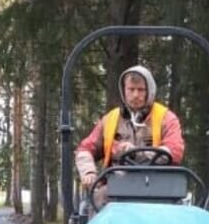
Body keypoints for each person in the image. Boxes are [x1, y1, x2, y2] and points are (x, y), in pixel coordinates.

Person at [75, 65, 185, 211]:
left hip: (158, 187)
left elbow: (175, 150)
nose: (135, 95)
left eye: (140, 90)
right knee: (99, 198)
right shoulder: (110, 120)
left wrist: (136, 152)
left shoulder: (166, 118)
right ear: (124, 90)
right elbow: (85, 149)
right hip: (117, 187)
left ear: (149, 91)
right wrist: (88, 171)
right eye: (131, 89)